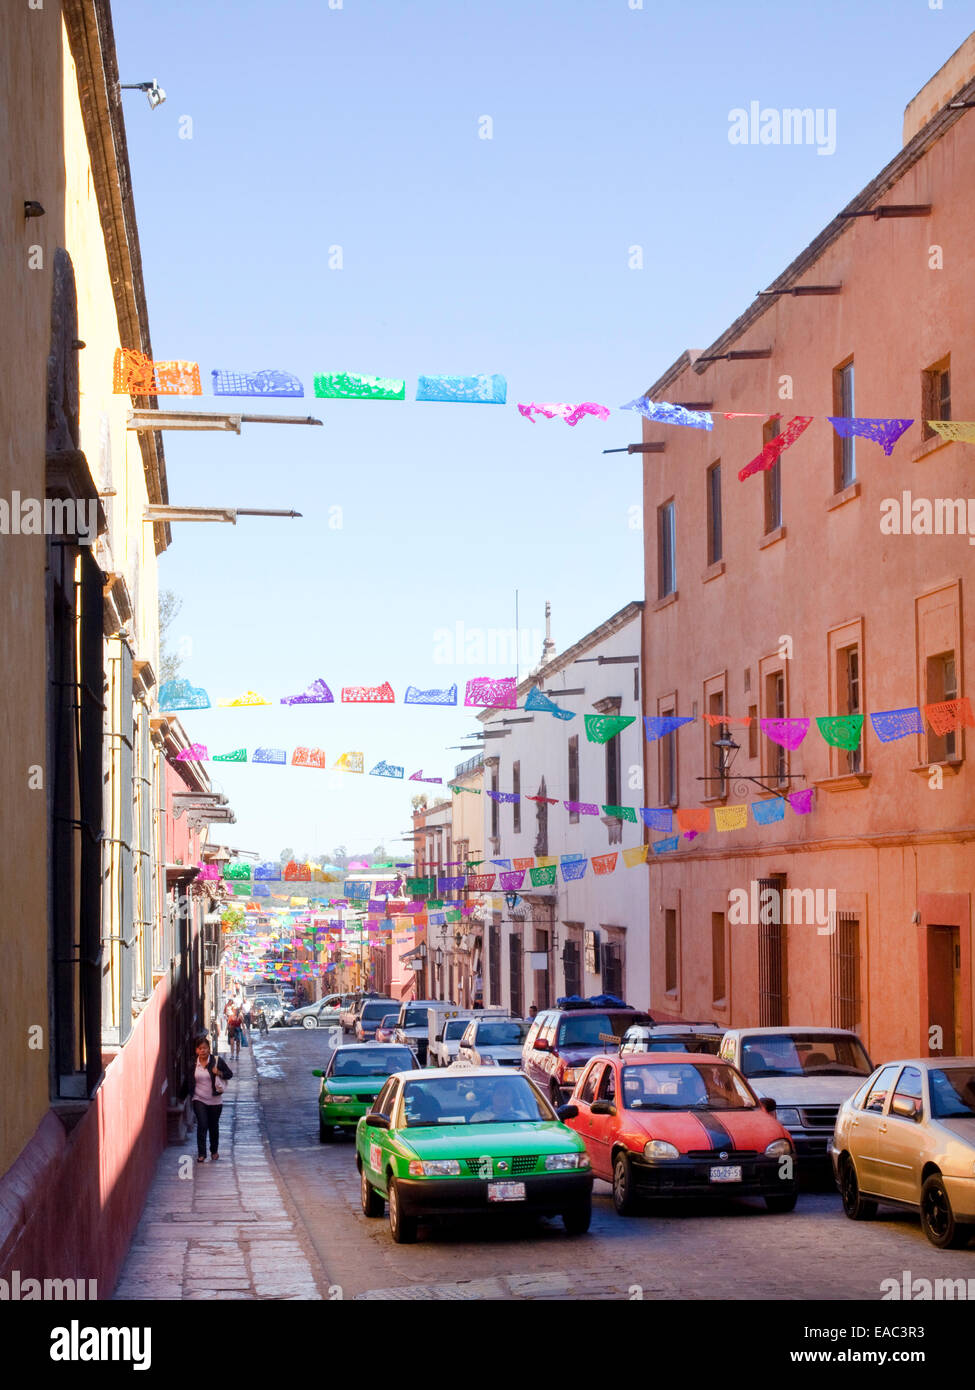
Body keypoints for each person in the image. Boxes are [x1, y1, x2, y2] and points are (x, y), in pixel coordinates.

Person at [183, 1034, 233, 1162]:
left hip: (215, 1100)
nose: (203, 1051)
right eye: (200, 1048)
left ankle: (214, 1150)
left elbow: (229, 1074)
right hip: (198, 1099)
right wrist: (181, 1096)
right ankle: (201, 1154)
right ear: (196, 1050)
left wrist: (219, 1073)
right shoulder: (194, 1063)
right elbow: (188, 1080)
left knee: (213, 1126)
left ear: (209, 1049)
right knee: (202, 1125)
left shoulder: (216, 1061)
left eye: (205, 1048)